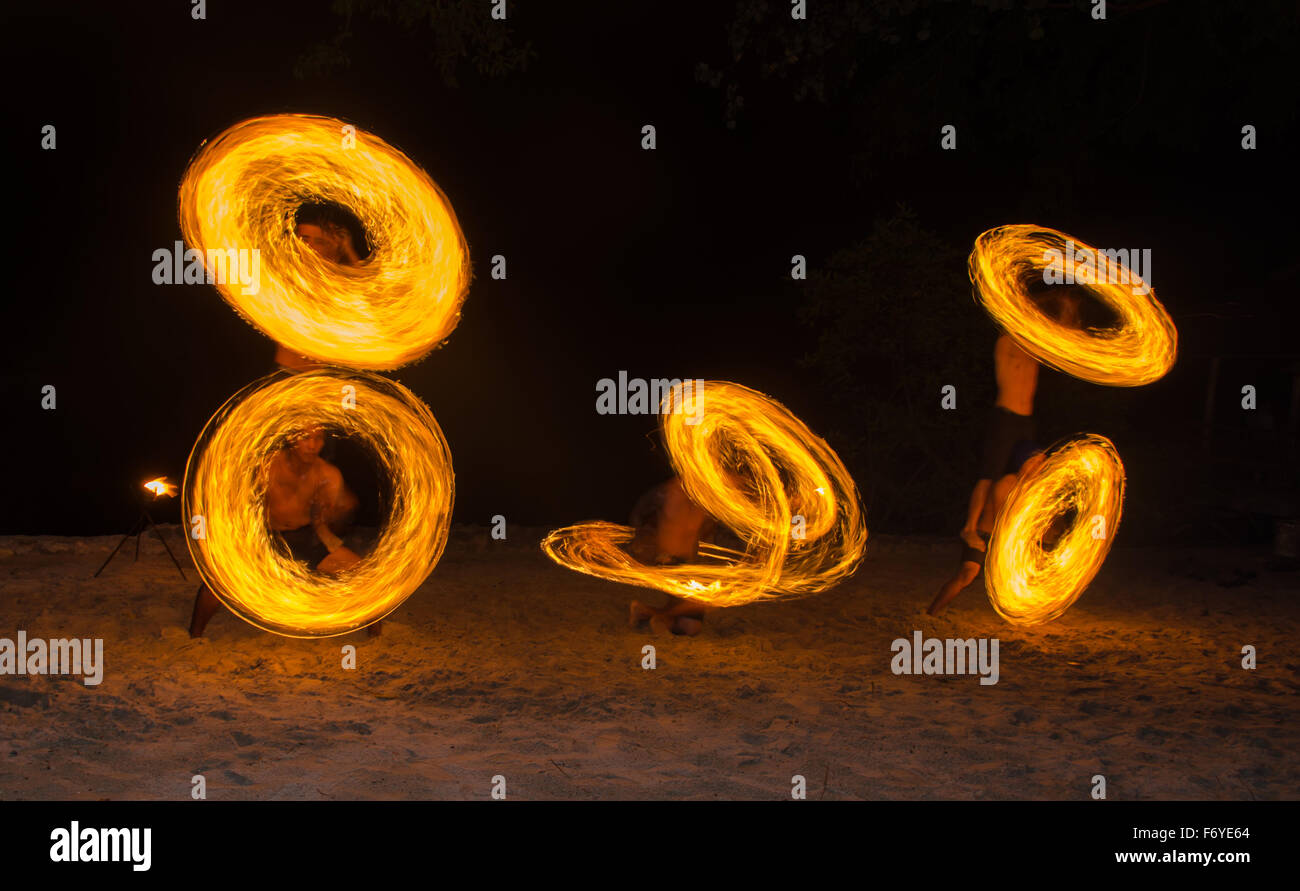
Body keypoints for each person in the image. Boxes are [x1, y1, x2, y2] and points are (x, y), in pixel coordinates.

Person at [188, 203, 372, 637]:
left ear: (330, 238)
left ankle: (312, 541)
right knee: (265, 474)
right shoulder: (294, 275)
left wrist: (347, 250)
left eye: (311, 237)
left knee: (324, 484)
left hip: (322, 392)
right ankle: (254, 547)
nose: (303, 243)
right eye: (301, 237)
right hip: (287, 385)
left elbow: (373, 298)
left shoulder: (340, 282)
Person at [188, 425, 362, 637]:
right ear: (291, 438)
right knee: (217, 581)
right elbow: (237, 500)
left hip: (306, 537)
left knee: (364, 575)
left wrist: (339, 513)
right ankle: (195, 635)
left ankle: (375, 637)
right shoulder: (267, 465)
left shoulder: (328, 474)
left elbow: (330, 525)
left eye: (319, 438)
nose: (313, 445)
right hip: (264, 536)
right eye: (306, 438)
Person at [960, 292, 1080, 553]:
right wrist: (1044, 305)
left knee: (1033, 473)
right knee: (989, 477)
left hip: (1026, 421)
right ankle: (969, 528)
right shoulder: (1006, 343)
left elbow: (1059, 341)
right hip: (1004, 418)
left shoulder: (1035, 347)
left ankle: (1033, 529)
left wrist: (1065, 310)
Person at [929, 440, 1046, 615]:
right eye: (1033, 462)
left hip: (1008, 540)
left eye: (1041, 463)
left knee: (1032, 578)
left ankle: (1030, 616)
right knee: (967, 575)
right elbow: (1005, 523)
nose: (1038, 466)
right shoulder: (1007, 484)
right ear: (1022, 463)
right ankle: (932, 612)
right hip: (984, 537)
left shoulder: (1034, 490)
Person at [625, 477, 719, 636]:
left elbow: (697, 530)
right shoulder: (677, 493)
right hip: (670, 561)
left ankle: (644, 611)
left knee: (691, 627)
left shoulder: (692, 497)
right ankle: (661, 618)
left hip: (682, 563)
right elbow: (684, 527)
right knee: (704, 600)